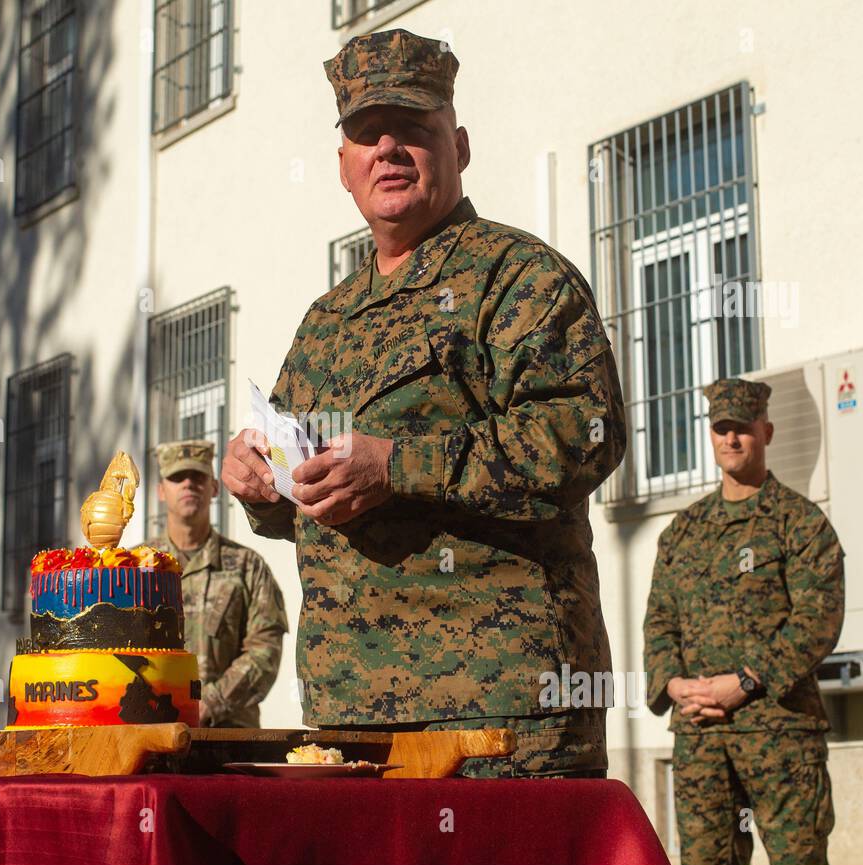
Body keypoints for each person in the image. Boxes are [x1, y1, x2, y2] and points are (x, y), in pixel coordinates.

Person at [222, 29, 626, 776]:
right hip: (351, 711)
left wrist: (401, 466)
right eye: (366, 133)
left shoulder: (519, 277)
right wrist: (260, 482)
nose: (389, 148)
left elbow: (583, 436)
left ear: (459, 145)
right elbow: (296, 503)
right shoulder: (327, 321)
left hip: (502, 709)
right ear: (343, 166)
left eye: (413, 128)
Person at [644, 378, 844, 865]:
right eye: (722, 428)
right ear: (710, 436)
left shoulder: (800, 523)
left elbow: (819, 617)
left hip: (780, 735)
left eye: (743, 429)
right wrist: (673, 685)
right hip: (701, 736)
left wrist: (748, 680)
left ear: (767, 432)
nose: (732, 440)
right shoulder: (682, 533)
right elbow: (660, 621)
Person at [142, 440, 287, 728]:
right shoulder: (135, 569)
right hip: (150, 733)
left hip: (228, 739)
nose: (188, 484)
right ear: (161, 491)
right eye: (176, 477)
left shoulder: (248, 566)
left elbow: (265, 650)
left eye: (198, 477)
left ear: (214, 488)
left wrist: (210, 703)